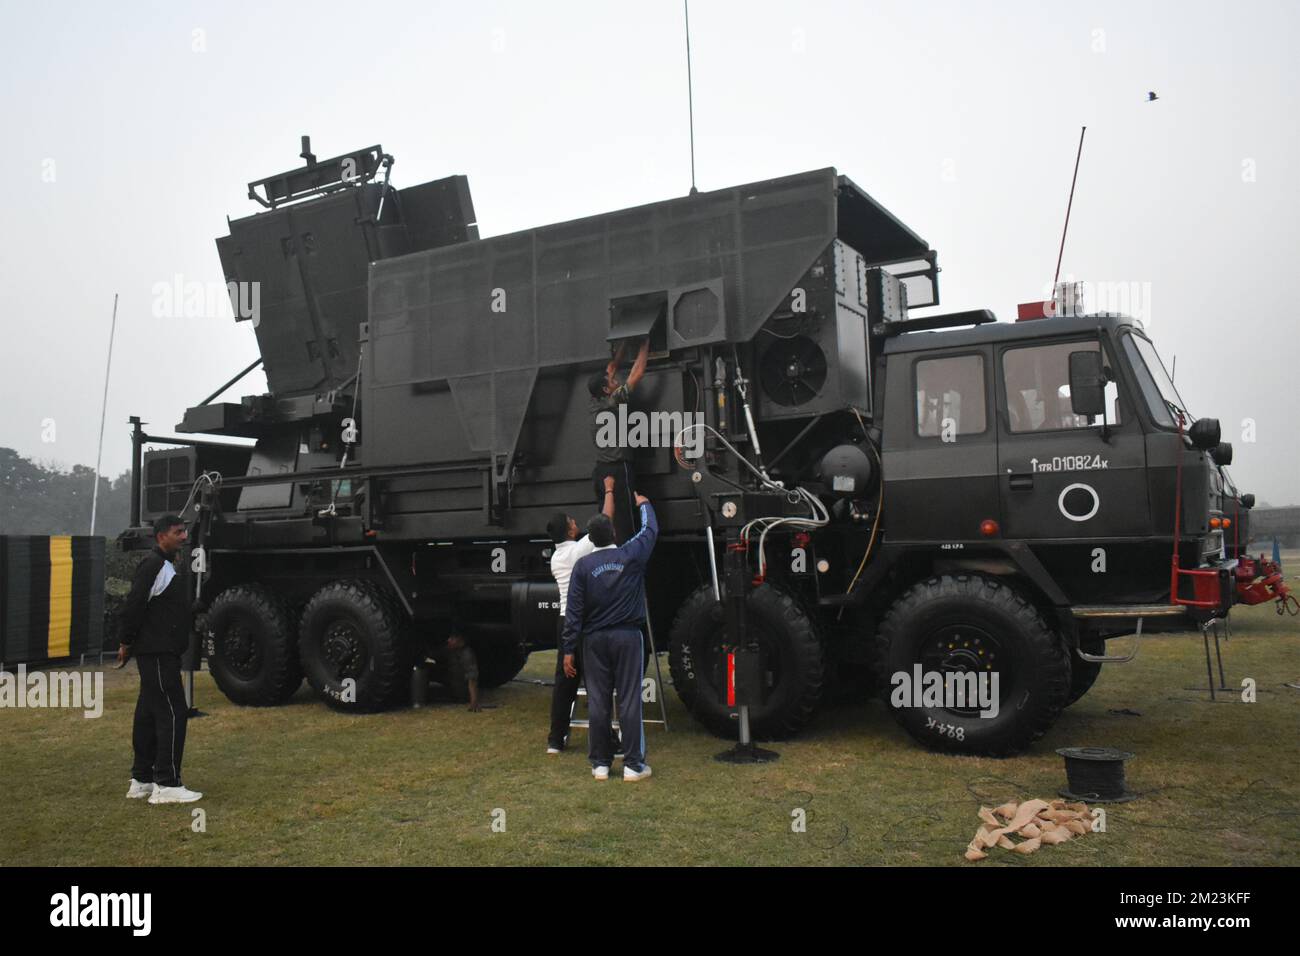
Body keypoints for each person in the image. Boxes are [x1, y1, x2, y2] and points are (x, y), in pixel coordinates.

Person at [561, 491, 658, 781]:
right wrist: (645, 504)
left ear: (591, 538)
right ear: (613, 532)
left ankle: (600, 764)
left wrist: (568, 649)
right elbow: (650, 531)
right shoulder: (629, 555)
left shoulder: (582, 567)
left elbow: (574, 611)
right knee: (629, 699)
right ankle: (633, 765)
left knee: (599, 701)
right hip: (627, 637)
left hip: (593, 641)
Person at [117, 514, 202, 804]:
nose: (183, 537)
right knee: (173, 712)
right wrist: (126, 641)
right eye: (178, 532)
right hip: (156, 653)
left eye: (184, 531)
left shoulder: (165, 566)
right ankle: (167, 784)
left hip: (160, 652)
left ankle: (142, 780)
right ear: (161, 536)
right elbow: (134, 605)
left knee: (148, 714)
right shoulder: (153, 565)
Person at [545, 475, 619, 755]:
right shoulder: (578, 551)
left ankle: (555, 740)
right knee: (596, 683)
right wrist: (609, 489)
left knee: (564, 683)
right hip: (582, 621)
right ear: (569, 530)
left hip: (564, 622)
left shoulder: (556, 558)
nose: (577, 523)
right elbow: (605, 519)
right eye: (573, 521)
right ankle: (609, 740)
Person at [589, 336, 650, 543]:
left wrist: (624, 342)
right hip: (617, 469)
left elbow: (611, 366)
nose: (617, 381)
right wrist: (645, 341)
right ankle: (626, 559)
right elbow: (637, 372)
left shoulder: (595, 399)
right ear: (607, 390)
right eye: (614, 382)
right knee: (625, 521)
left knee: (607, 519)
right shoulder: (613, 401)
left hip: (600, 470)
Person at [429, 628, 481, 711]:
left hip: (461, 691)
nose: (449, 640)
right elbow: (436, 654)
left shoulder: (467, 655)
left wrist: (474, 701)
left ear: (460, 640)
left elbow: (472, 679)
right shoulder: (451, 650)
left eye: (453, 638)